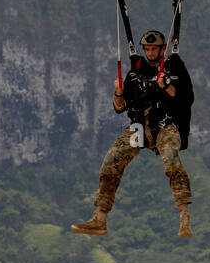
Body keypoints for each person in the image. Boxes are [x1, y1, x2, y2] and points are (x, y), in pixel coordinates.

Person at [72, 30, 194, 239]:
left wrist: (167, 85)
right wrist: (119, 92)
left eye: (154, 49)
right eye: (147, 49)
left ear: (162, 49)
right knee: (112, 160)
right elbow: (119, 107)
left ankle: (184, 216)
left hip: (165, 125)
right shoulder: (136, 74)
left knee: (171, 159)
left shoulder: (174, 69)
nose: (150, 52)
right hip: (140, 126)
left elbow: (186, 98)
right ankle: (99, 218)